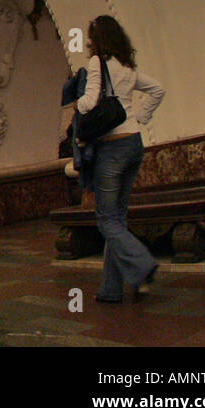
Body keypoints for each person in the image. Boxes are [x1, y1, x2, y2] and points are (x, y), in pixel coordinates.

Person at [75, 15, 165, 303]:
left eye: (91, 37)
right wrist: (140, 117)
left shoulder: (97, 63)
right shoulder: (126, 66)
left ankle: (142, 264)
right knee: (118, 218)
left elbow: (89, 103)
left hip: (111, 148)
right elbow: (157, 90)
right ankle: (111, 289)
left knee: (106, 220)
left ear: (96, 39)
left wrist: (75, 100)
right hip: (134, 144)